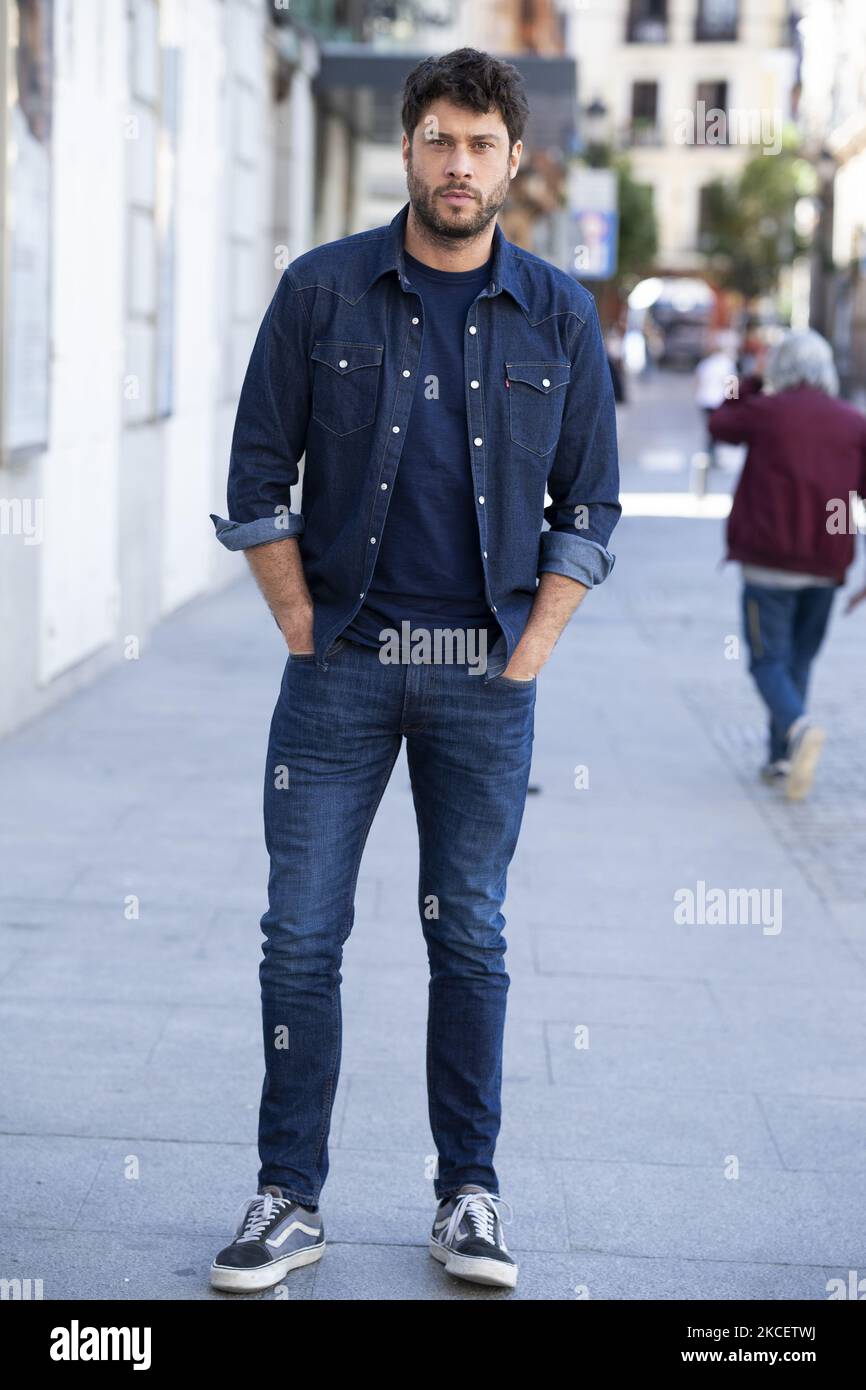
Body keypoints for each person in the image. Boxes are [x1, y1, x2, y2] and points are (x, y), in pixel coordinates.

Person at [207, 47, 621, 1294]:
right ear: (407, 147)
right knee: (298, 938)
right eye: (438, 139)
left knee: (473, 941)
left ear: (513, 160)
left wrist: (529, 651)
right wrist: (298, 626)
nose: (457, 163)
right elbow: (252, 480)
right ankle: (289, 1196)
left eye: (480, 145)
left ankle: (468, 1198)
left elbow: (590, 505)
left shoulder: (554, 311)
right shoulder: (321, 292)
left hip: (481, 682)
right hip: (338, 669)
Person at [708, 329, 866, 798]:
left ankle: (795, 728)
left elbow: (720, 420)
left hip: (768, 563)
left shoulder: (766, 412)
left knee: (766, 661)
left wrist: (749, 380)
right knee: (799, 659)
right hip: (826, 565)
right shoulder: (853, 423)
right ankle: (781, 756)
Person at [694, 331, 737, 467]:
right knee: (715, 429)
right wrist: (733, 404)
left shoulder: (706, 364)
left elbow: (697, 381)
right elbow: (732, 387)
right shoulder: (727, 364)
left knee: (711, 428)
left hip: (705, 400)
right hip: (717, 401)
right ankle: (711, 454)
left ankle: (710, 454)